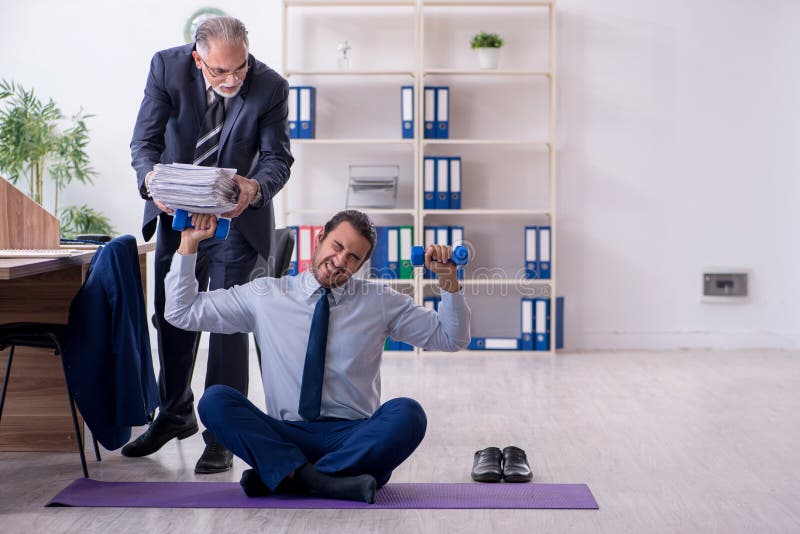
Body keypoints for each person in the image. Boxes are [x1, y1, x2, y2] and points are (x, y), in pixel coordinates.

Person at [163, 210, 470, 503]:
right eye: (337, 246)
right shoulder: (266, 295)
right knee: (215, 401)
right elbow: (181, 312)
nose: (339, 261)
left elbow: (451, 337)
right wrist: (189, 243)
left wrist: (447, 280)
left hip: (352, 437)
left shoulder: (379, 301)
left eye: (353, 257)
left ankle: (286, 474)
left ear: (362, 264)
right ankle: (328, 480)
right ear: (319, 238)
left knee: (408, 414)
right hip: (286, 433)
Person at [126, 16, 293, 474]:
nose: (231, 80)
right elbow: (145, 143)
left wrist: (254, 190)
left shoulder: (270, 86)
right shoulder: (166, 68)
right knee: (171, 314)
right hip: (177, 214)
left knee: (226, 326)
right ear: (198, 59)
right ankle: (174, 412)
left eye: (239, 68)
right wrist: (150, 179)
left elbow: (279, 159)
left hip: (237, 220)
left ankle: (221, 432)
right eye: (219, 72)